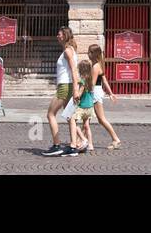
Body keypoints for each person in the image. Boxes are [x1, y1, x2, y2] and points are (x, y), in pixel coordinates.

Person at [42, 27, 82, 157]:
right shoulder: (70, 50)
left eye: (59, 34)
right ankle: (73, 146)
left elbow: (74, 70)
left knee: (50, 114)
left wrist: (76, 90)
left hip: (65, 86)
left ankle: (56, 145)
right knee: (70, 116)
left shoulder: (68, 51)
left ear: (65, 36)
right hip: (68, 86)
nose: (57, 36)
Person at [87, 45, 122, 150]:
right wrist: (110, 93)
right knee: (88, 119)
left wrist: (82, 91)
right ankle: (84, 141)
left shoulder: (95, 66)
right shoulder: (99, 64)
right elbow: (104, 80)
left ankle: (116, 139)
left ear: (94, 54)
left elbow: (92, 84)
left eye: (89, 52)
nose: (88, 54)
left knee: (100, 119)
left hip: (94, 93)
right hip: (97, 92)